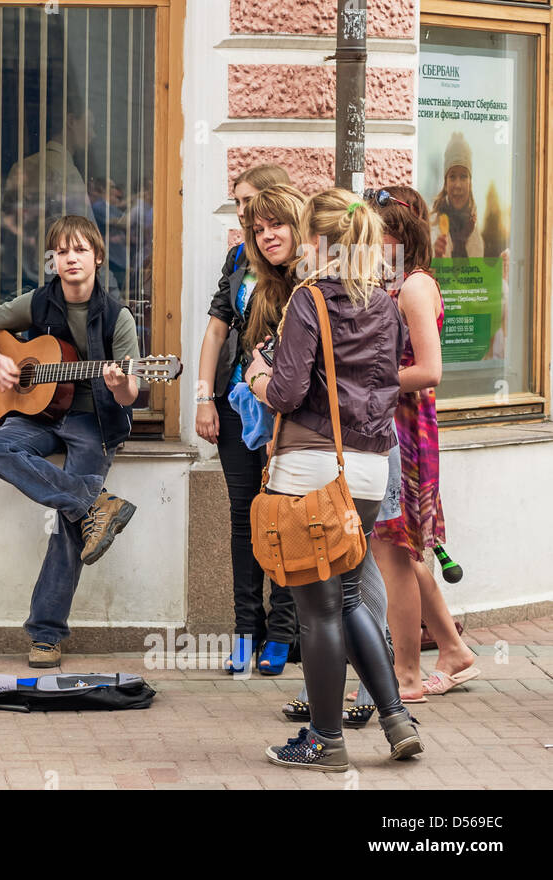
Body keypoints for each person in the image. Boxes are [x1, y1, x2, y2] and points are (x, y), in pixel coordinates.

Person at [246, 189, 422, 770]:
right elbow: (390, 379)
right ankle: (395, 717)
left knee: (317, 608)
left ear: (317, 242)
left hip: (312, 465)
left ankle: (325, 741)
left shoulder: (309, 299)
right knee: (347, 596)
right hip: (369, 468)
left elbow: (291, 393)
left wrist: (257, 379)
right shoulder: (386, 304)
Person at [0, 215, 140, 669]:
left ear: (97, 258)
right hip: (41, 415)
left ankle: (46, 635)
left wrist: (118, 383)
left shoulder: (118, 318)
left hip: (93, 420)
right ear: (53, 260)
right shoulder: (40, 301)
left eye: (80, 250)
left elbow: (131, 393)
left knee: (69, 524)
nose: (70, 258)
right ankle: (95, 503)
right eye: (62, 251)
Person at [370, 185, 479, 701]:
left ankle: (406, 675)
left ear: (399, 234)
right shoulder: (396, 282)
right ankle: (454, 652)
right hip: (393, 425)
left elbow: (431, 370)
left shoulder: (414, 286)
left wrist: (370, 378)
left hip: (406, 431)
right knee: (406, 552)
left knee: (396, 552)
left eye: (374, 232)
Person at [193, 165, 299, 675]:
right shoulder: (238, 257)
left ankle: (282, 634)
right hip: (235, 403)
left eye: (252, 204)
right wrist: (203, 397)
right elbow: (215, 331)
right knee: (244, 517)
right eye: (239, 206)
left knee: (282, 517)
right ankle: (244, 632)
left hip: (285, 409)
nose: (246, 216)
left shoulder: (303, 266)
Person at [0, 98, 96, 294]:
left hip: (22, 275)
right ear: (71, 121)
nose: (92, 135)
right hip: (53, 280)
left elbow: (8, 229)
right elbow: (86, 236)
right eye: (90, 126)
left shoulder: (22, 166)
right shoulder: (65, 171)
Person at [430, 133, 483, 260]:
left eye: (463, 176)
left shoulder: (475, 228)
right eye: (452, 176)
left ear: (470, 182)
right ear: (445, 182)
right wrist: (435, 256)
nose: (458, 185)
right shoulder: (432, 225)